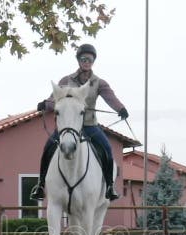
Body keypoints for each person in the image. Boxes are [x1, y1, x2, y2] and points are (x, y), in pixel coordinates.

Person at [30, 43, 129, 201]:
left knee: (107, 150)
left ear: (93, 62)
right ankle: (40, 186)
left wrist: (121, 109)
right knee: (48, 148)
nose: (86, 62)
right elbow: (53, 99)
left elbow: (111, 98)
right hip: (67, 126)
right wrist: (45, 105)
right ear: (78, 60)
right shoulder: (65, 80)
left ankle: (110, 186)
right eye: (83, 59)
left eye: (89, 59)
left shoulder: (99, 83)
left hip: (89, 125)